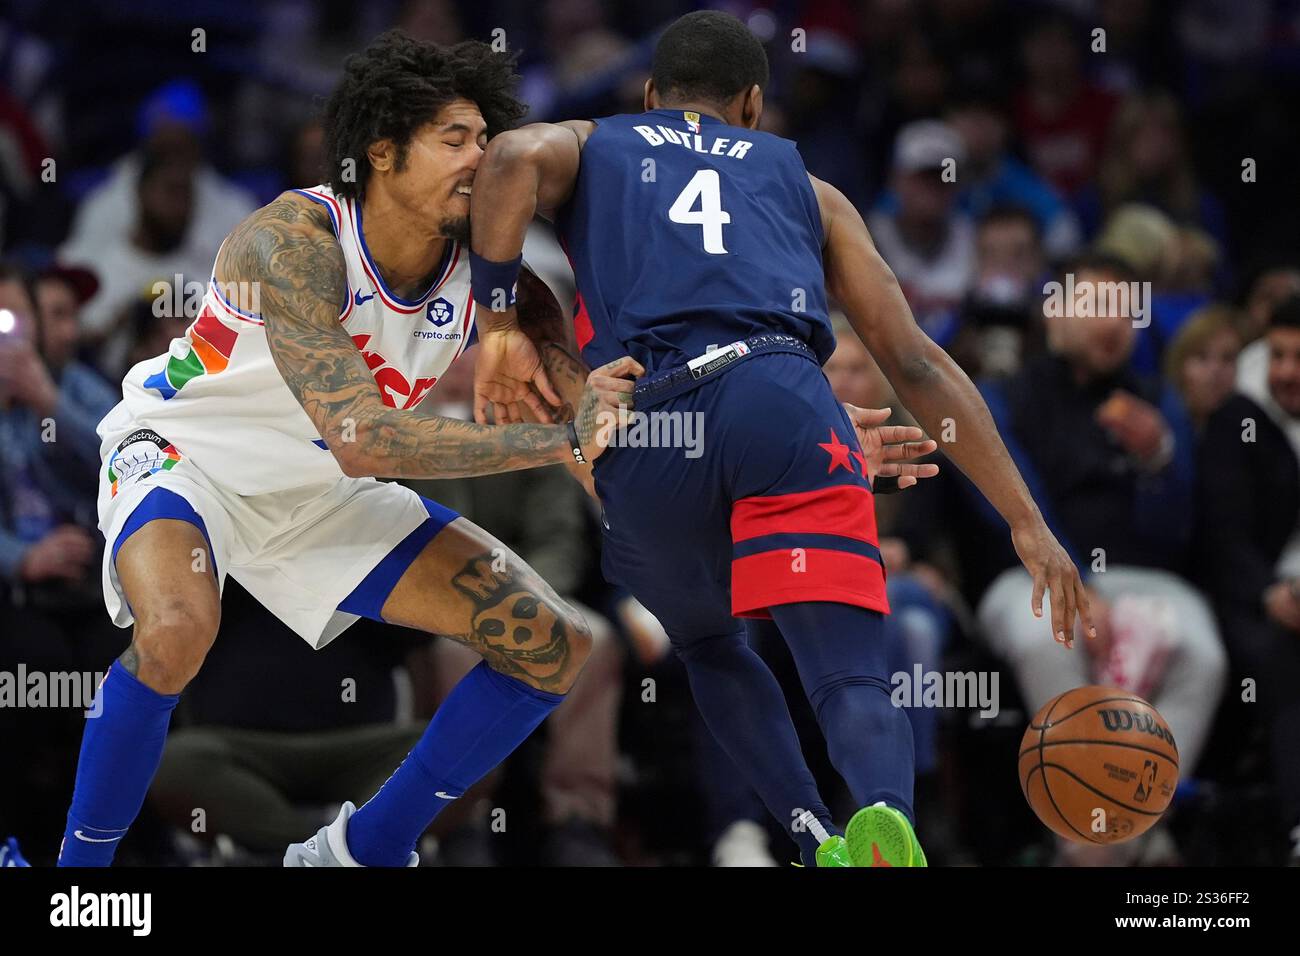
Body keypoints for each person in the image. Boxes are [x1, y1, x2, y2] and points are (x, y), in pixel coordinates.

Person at [467, 9, 1090, 867]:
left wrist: (497, 320)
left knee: (712, 646)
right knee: (849, 673)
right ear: (754, 105)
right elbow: (914, 360)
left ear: (651, 95)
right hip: (785, 400)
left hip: (651, 419)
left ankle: (807, 835)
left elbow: (506, 158)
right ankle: (882, 821)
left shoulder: (599, 141)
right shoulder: (809, 185)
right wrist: (1026, 520)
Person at [56, 30, 639, 869]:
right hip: (187, 459)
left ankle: (359, 850)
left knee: (554, 644)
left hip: (316, 491)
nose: (484, 158)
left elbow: (546, 334)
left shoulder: (489, 266)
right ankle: (74, 880)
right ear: (383, 152)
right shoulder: (293, 241)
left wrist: (587, 406)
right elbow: (365, 438)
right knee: (179, 630)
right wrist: (559, 441)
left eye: (487, 139)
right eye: (455, 139)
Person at [1196, 295, 1300, 863]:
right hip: (1246, 599)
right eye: (1278, 355)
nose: (1287, 371)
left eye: (1299, 357)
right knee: (1282, 658)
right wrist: (1269, 591)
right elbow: (1224, 535)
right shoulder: (1241, 418)